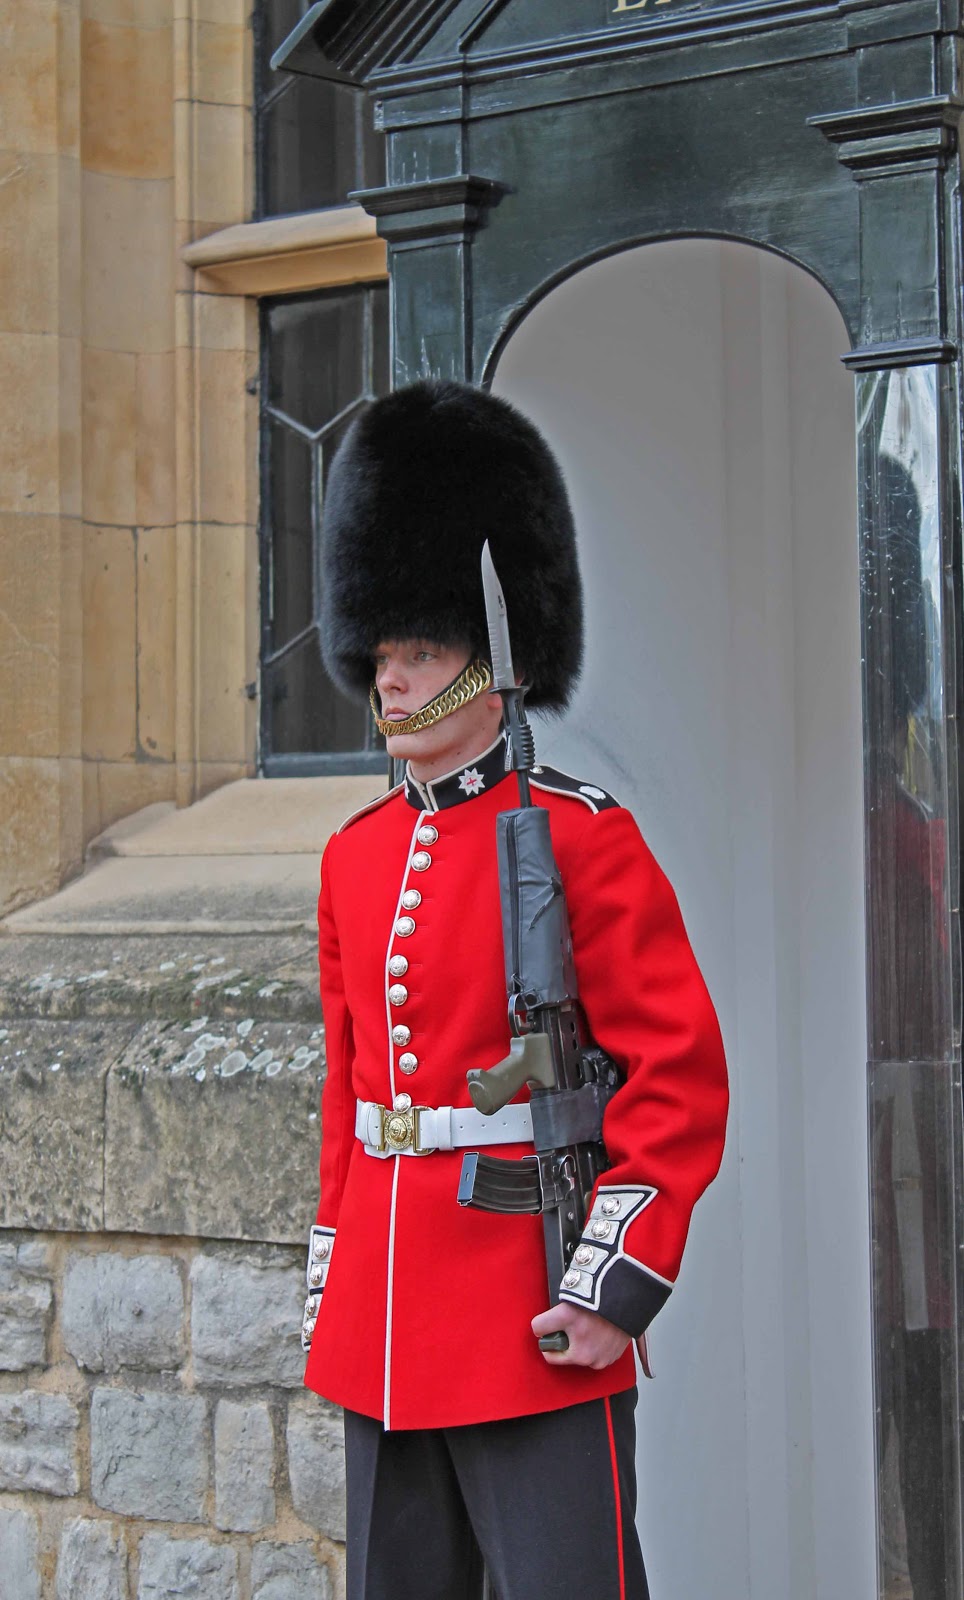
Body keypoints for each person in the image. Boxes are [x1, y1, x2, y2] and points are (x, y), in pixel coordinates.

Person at [300, 379, 728, 1600]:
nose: (390, 681)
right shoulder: (353, 857)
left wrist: (609, 1287)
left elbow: (676, 1078)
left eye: (421, 652)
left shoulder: (583, 838)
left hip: (526, 1306)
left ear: (492, 664)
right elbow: (350, 1095)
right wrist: (335, 1275)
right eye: (382, 653)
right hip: (384, 1314)